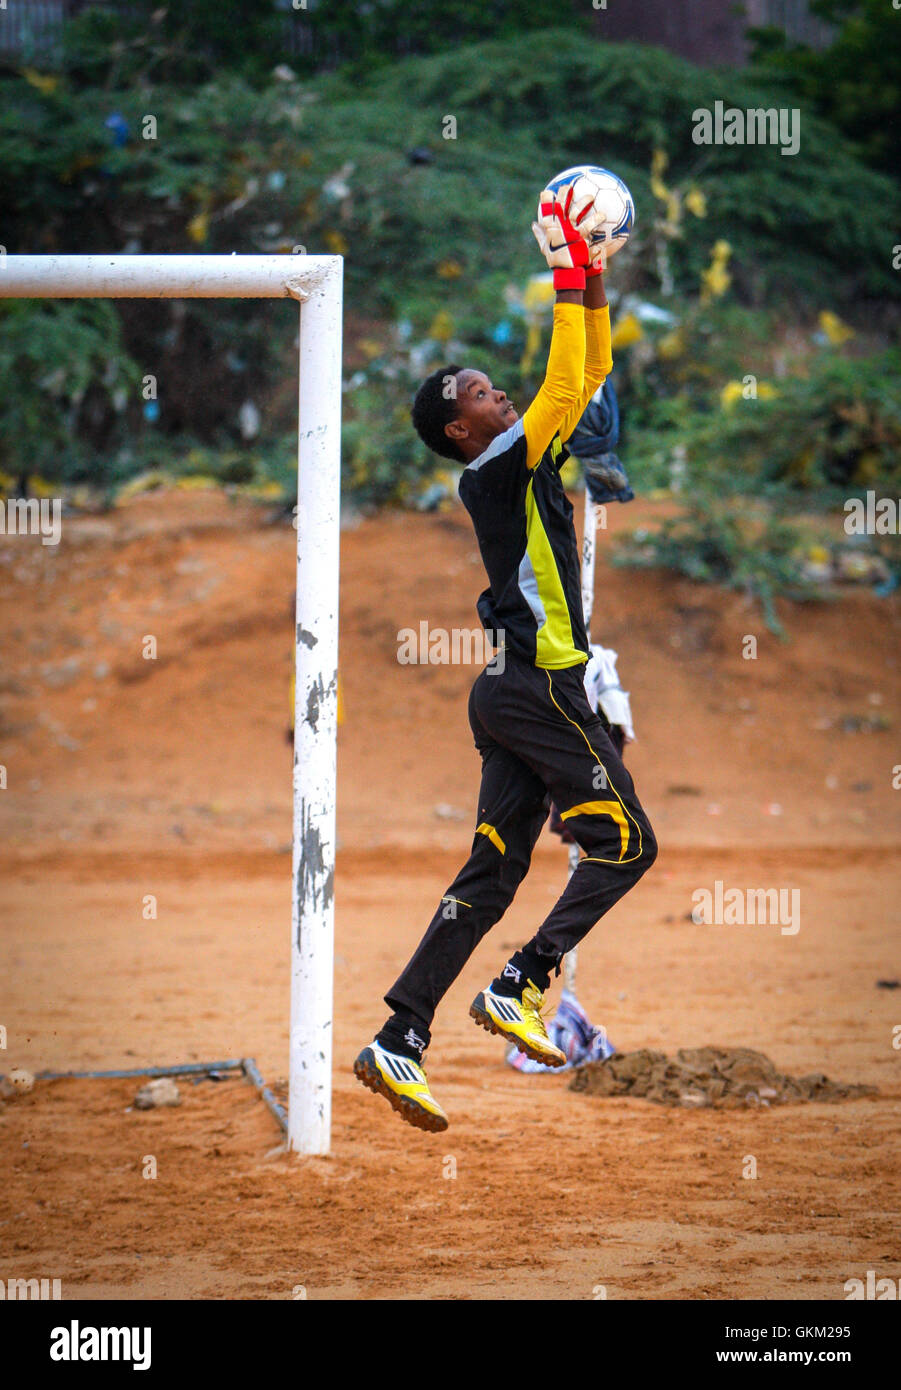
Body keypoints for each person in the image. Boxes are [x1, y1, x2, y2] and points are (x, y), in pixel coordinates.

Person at [353, 178, 658, 1132]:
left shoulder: (515, 457)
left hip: (509, 695)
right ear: (462, 429)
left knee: (489, 876)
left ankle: (398, 1036)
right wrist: (567, 270)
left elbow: (587, 378)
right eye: (482, 393)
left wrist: (593, 280)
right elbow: (568, 383)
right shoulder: (501, 464)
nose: (500, 392)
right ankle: (521, 983)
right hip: (539, 693)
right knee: (627, 842)